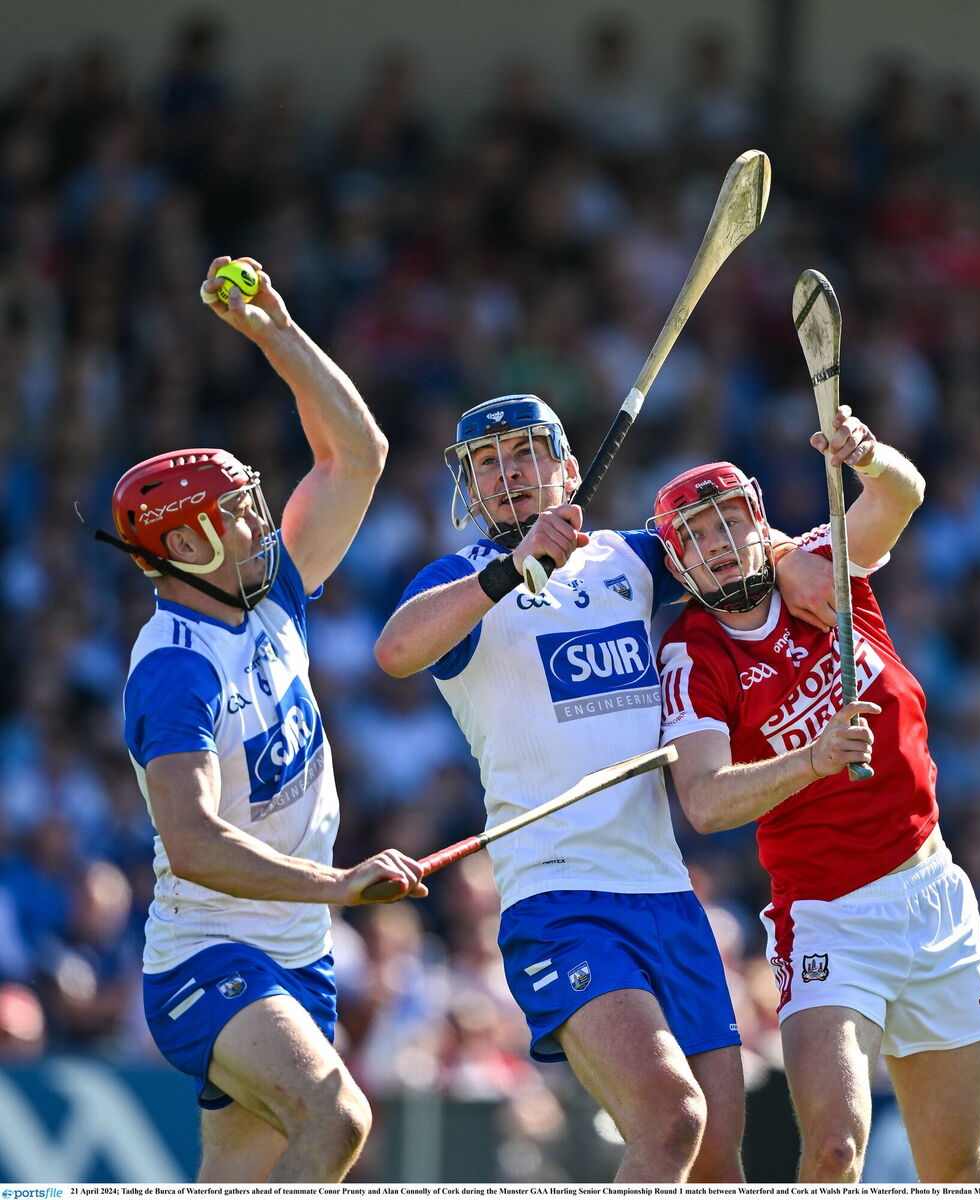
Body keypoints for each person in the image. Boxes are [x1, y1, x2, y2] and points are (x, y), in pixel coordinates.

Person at [373, 394, 832, 1183]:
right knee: (669, 1119)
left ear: (567, 469)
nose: (507, 473)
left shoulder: (627, 559)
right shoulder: (462, 582)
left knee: (720, 1160)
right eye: (487, 462)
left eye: (524, 454)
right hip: (559, 901)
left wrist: (785, 556)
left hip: (664, 892)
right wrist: (506, 574)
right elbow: (395, 650)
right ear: (470, 487)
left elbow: (725, 537)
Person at [109, 256, 426, 1184]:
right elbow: (197, 842)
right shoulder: (175, 669)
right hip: (211, 962)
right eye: (239, 516)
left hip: (298, 957)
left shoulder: (269, 599)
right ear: (188, 545)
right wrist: (337, 887)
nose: (261, 525)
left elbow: (357, 457)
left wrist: (276, 333)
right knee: (337, 1117)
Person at [649, 406, 980, 1183]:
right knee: (835, 1149)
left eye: (727, 522)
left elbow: (902, 497)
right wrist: (811, 759)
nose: (717, 544)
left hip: (933, 889)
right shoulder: (691, 655)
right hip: (827, 915)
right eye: (696, 538)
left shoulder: (817, 561)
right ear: (680, 567)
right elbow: (704, 803)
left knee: (959, 1166)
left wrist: (867, 458)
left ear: (757, 520)